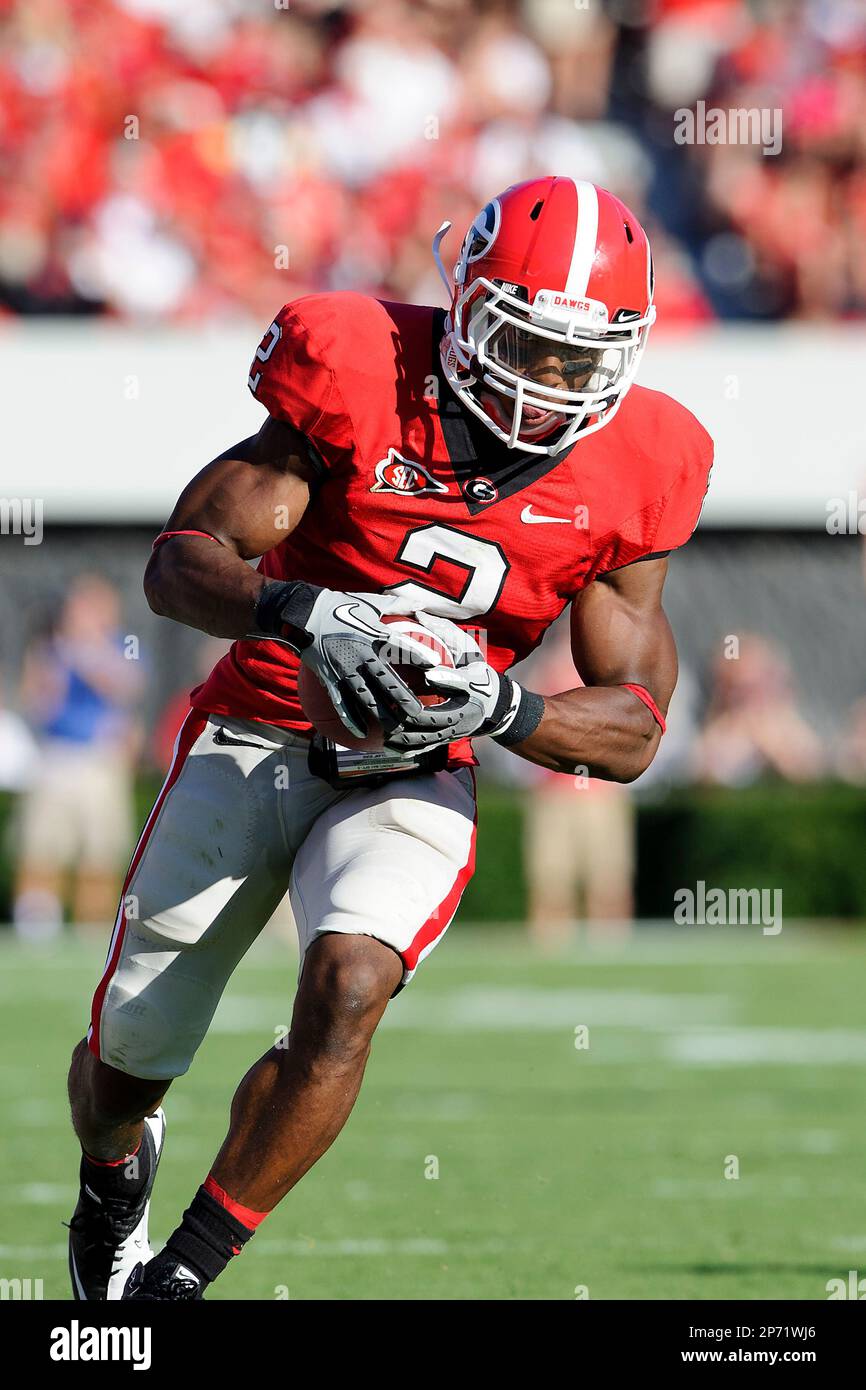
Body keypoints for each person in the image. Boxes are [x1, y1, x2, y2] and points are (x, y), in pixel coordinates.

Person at [65, 176, 713, 1300]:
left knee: (350, 981)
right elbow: (179, 563)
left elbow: (632, 730)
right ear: (463, 303)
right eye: (525, 343)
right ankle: (115, 1173)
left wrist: (499, 708)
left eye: (580, 358)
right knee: (126, 1060)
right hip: (260, 724)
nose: (547, 383)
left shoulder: (640, 460)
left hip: (414, 764)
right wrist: (302, 609)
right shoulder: (357, 365)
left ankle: (178, 1280)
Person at [14, 575, 142, 937]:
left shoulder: (123, 646)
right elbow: (38, 703)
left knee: (99, 854)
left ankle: (93, 928)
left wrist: (88, 650)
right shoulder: (50, 649)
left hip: (100, 760)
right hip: (57, 755)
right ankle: (37, 925)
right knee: (42, 847)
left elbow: (126, 687)